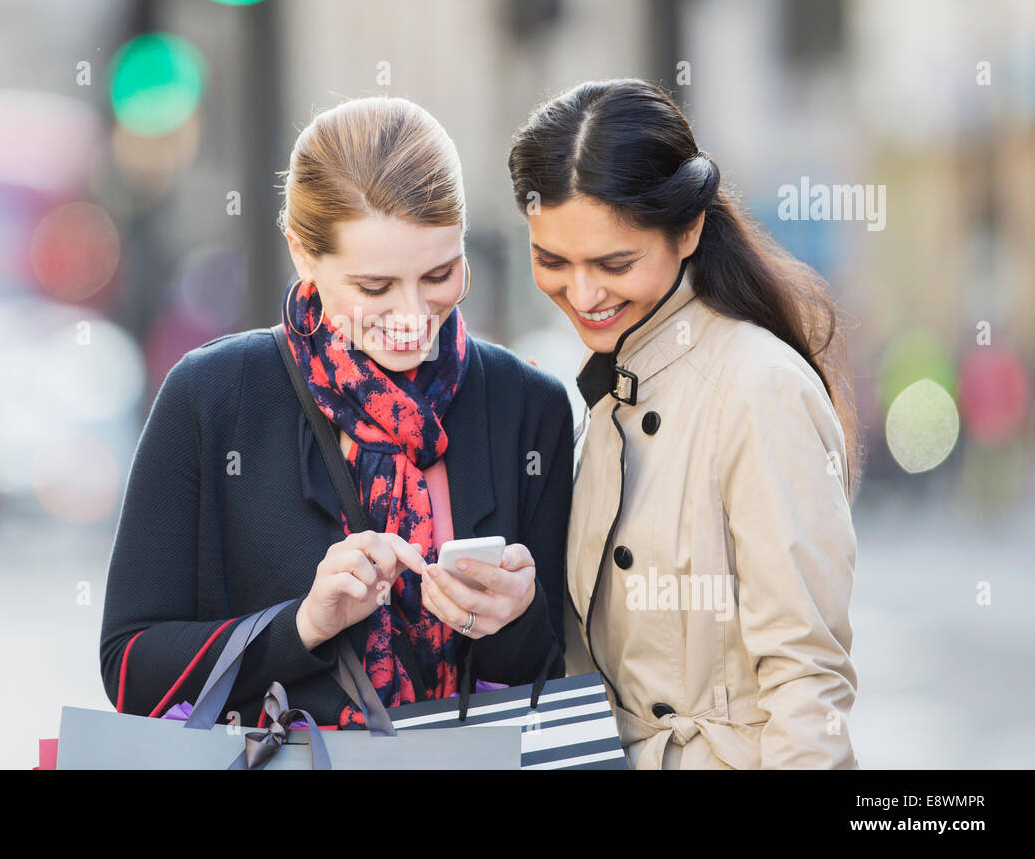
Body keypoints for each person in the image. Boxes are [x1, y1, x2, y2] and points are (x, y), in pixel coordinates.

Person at [101, 96, 571, 731]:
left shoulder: (526, 406)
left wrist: (516, 615)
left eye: (440, 274)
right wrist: (304, 625)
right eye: (374, 288)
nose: (411, 316)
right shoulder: (214, 396)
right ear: (303, 255)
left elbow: (542, 681)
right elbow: (128, 667)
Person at [507, 78, 861, 769]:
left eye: (615, 264)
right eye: (552, 261)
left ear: (689, 228)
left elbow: (806, 678)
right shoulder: (614, 385)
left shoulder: (758, 389)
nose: (582, 294)